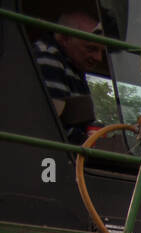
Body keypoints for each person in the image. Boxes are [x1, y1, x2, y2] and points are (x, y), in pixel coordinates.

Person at [33, 11, 106, 144]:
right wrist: (92, 143)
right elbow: (53, 125)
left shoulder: (74, 66)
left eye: (101, 51)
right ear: (65, 39)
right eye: (91, 48)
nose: (99, 58)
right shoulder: (47, 57)